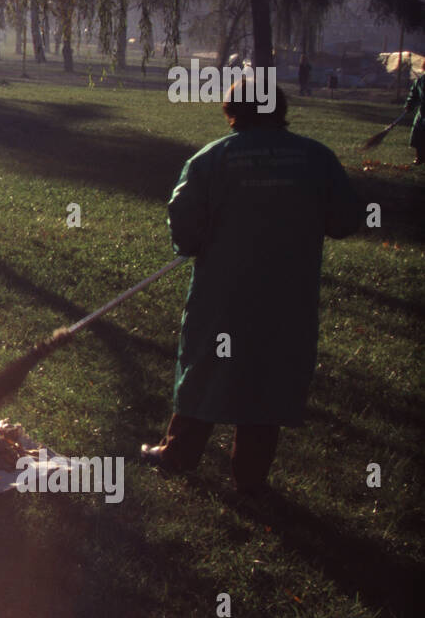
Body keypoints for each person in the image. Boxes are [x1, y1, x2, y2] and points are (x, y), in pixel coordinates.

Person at [140, 82, 362, 497]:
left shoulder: (212, 158)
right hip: (287, 296)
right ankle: (251, 475)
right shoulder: (317, 158)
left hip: (223, 294)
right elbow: (347, 219)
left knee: (205, 365)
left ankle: (178, 453)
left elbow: (184, 224)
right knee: (270, 374)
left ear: (233, 111)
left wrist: (194, 241)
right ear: (279, 110)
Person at [402, 70, 424, 165]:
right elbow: (413, 94)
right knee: (418, 133)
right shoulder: (420, 81)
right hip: (423, 112)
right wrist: (409, 104)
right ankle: (419, 157)